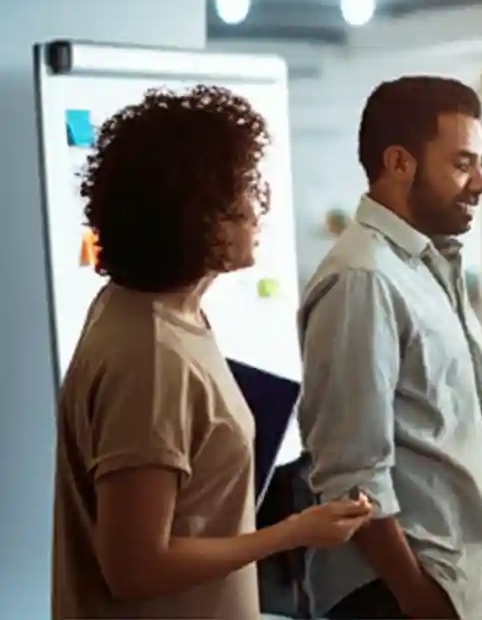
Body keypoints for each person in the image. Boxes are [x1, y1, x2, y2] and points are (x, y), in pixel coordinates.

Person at [52, 86, 373, 620]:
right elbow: (135, 567)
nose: (257, 209)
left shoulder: (148, 310)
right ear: (192, 215)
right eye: (242, 191)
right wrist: (290, 533)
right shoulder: (152, 359)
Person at [298, 76, 482, 619]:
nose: (480, 183)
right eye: (463, 163)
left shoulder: (428, 268)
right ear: (399, 163)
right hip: (395, 597)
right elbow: (352, 473)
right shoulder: (363, 279)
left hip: (459, 583)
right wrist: (418, 599)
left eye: (481, 162)